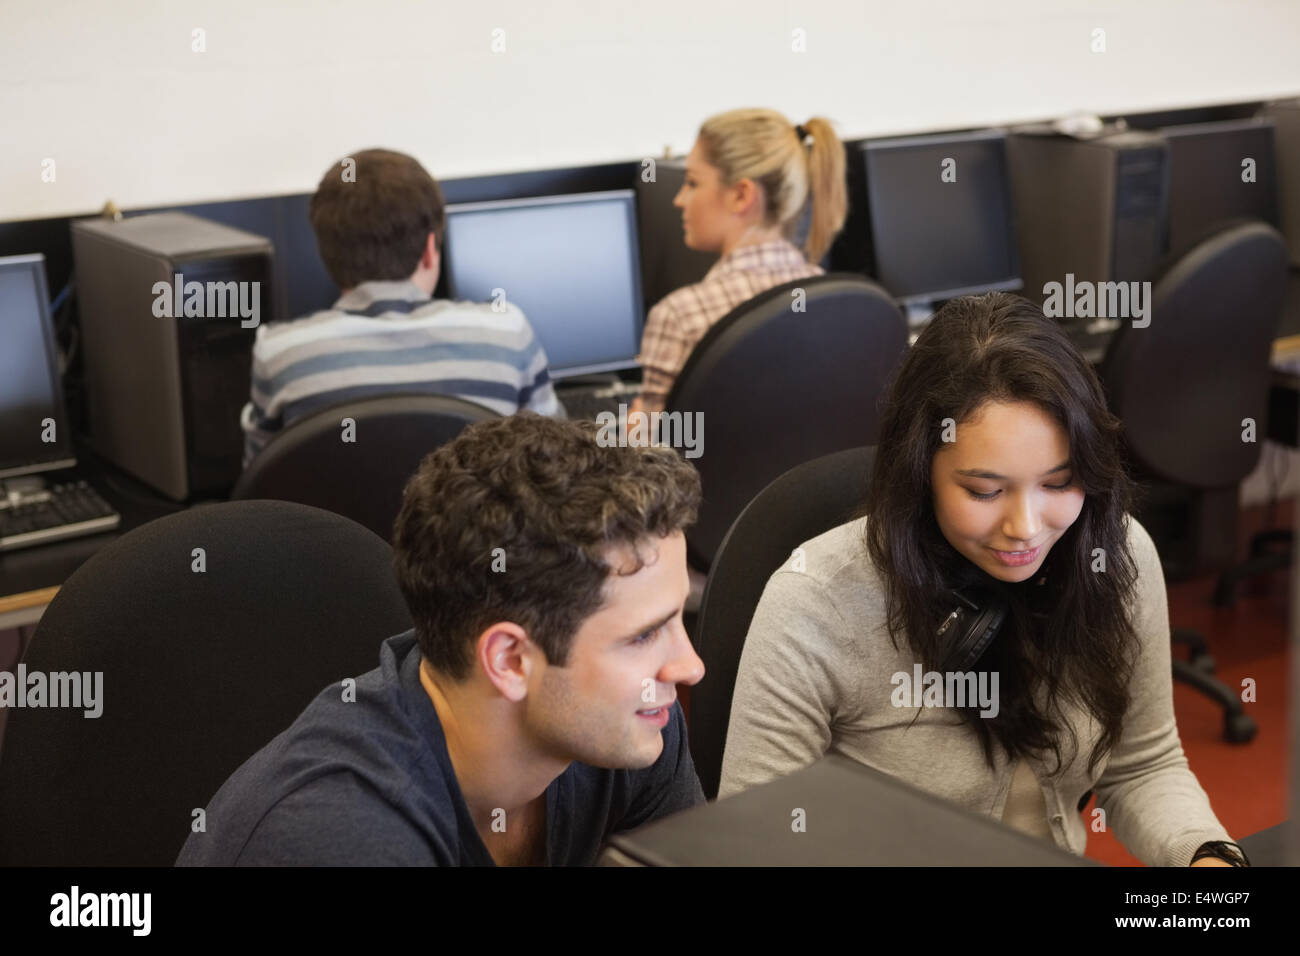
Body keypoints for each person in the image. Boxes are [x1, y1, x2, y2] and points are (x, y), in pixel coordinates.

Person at [718, 293, 1248, 868]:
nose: (1025, 529)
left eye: (1058, 483)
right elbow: (758, 846)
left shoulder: (1115, 555)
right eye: (984, 491)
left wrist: (1208, 860)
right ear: (919, 474)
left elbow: (1143, 766)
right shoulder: (817, 602)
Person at [179, 413, 706, 865]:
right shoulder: (337, 837)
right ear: (510, 660)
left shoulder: (632, 732)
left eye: (677, 619)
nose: (688, 666)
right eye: (644, 636)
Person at [239, 148, 562, 467]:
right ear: (429, 251)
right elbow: (556, 459)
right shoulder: (507, 331)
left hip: (333, 521)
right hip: (470, 520)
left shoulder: (279, 353)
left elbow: (264, 484)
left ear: (327, 255)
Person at [631, 108, 848, 415]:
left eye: (692, 183)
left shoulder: (679, 318)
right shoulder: (840, 302)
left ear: (741, 196)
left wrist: (634, 434)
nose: (679, 199)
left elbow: (656, 460)